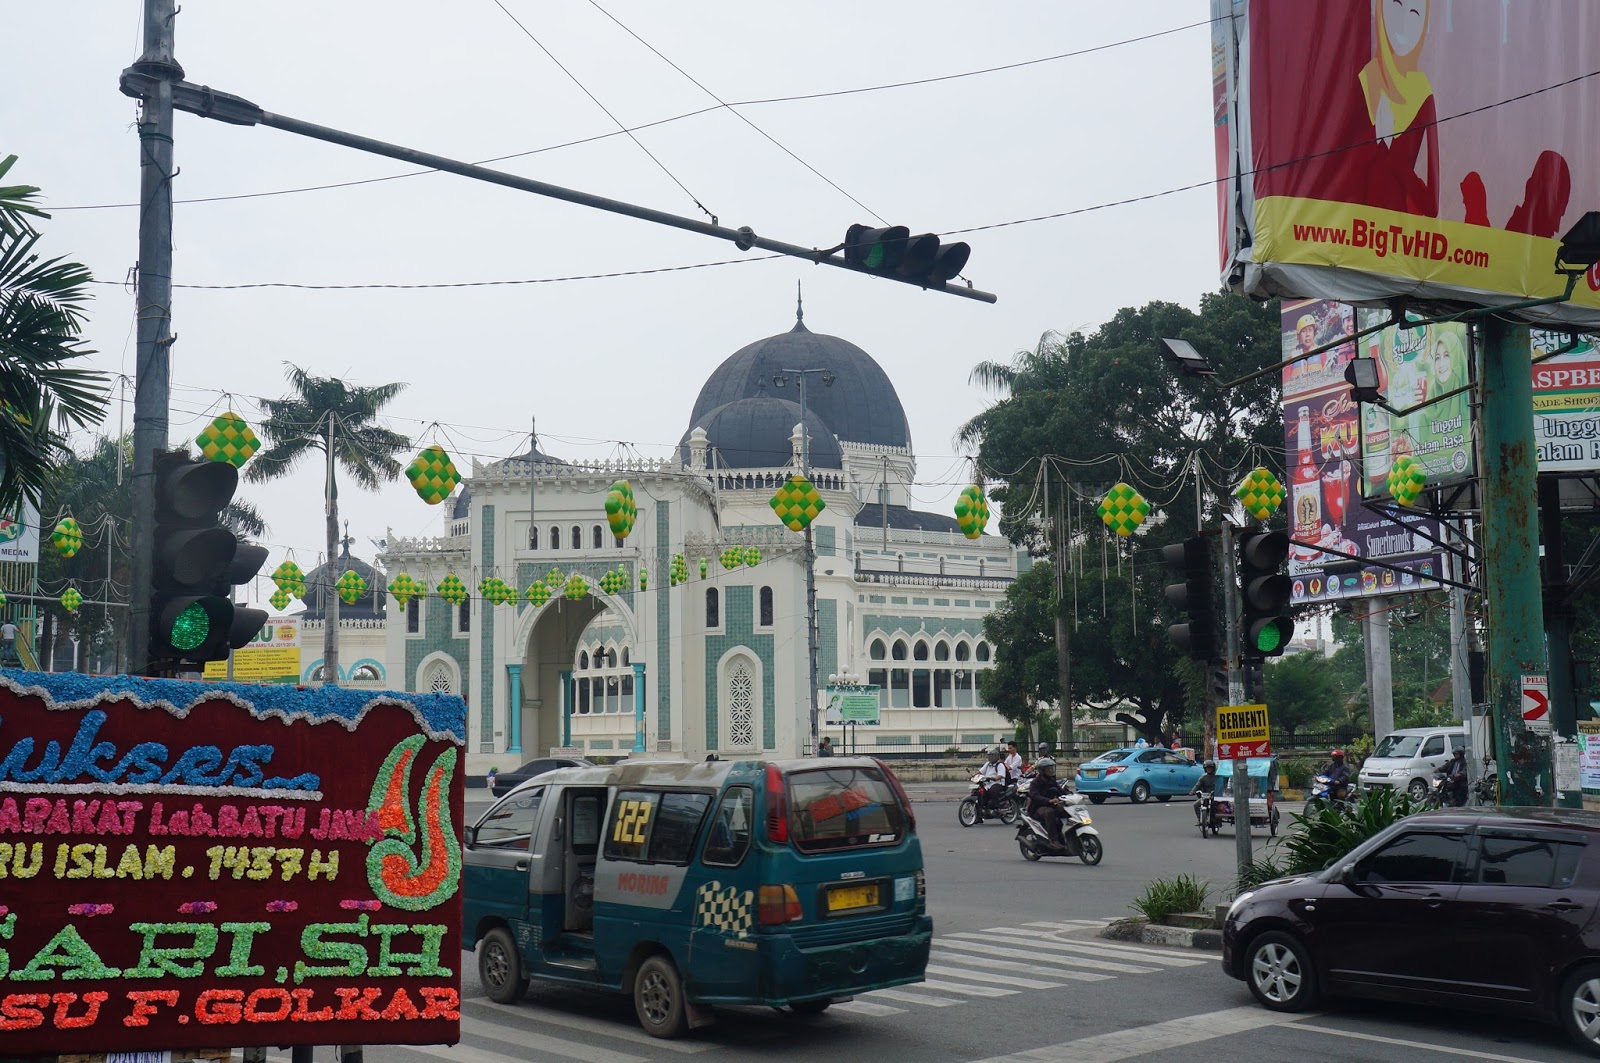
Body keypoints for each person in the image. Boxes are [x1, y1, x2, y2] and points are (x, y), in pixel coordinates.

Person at [1028, 758, 1067, 845]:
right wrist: (1049, 800)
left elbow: (1061, 791)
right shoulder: (1035, 782)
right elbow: (1035, 796)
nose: (1051, 770)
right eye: (1048, 768)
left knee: (1066, 811)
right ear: (1042, 770)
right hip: (1037, 808)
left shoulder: (1052, 780)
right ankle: (1053, 840)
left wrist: (1073, 796)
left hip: (1051, 805)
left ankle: (1064, 836)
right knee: (1049, 813)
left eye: (1051, 768)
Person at [978, 749, 1008, 820]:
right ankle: (981, 813)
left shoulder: (1000, 765)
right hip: (987, 784)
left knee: (992, 791)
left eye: (992, 756)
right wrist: (973, 775)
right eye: (989, 756)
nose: (990, 757)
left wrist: (993, 778)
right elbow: (980, 771)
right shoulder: (987, 764)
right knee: (980, 792)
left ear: (996, 756)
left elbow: (1000, 775)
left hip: (998, 783)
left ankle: (997, 808)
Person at [1192, 760, 1220, 830]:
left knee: (1219, 807)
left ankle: (1218, 821)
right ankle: (1199, 819)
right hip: (1205, 796)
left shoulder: (1217, 777)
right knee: (1195, 805)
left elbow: (1221, 786)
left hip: (1215, 797)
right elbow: (1197, 785)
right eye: (1207, 768)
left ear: (1213, 768)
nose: (1209, 769)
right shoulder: (1203, 778)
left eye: (1210, 767)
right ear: (1205, 769)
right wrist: (1193, 791)